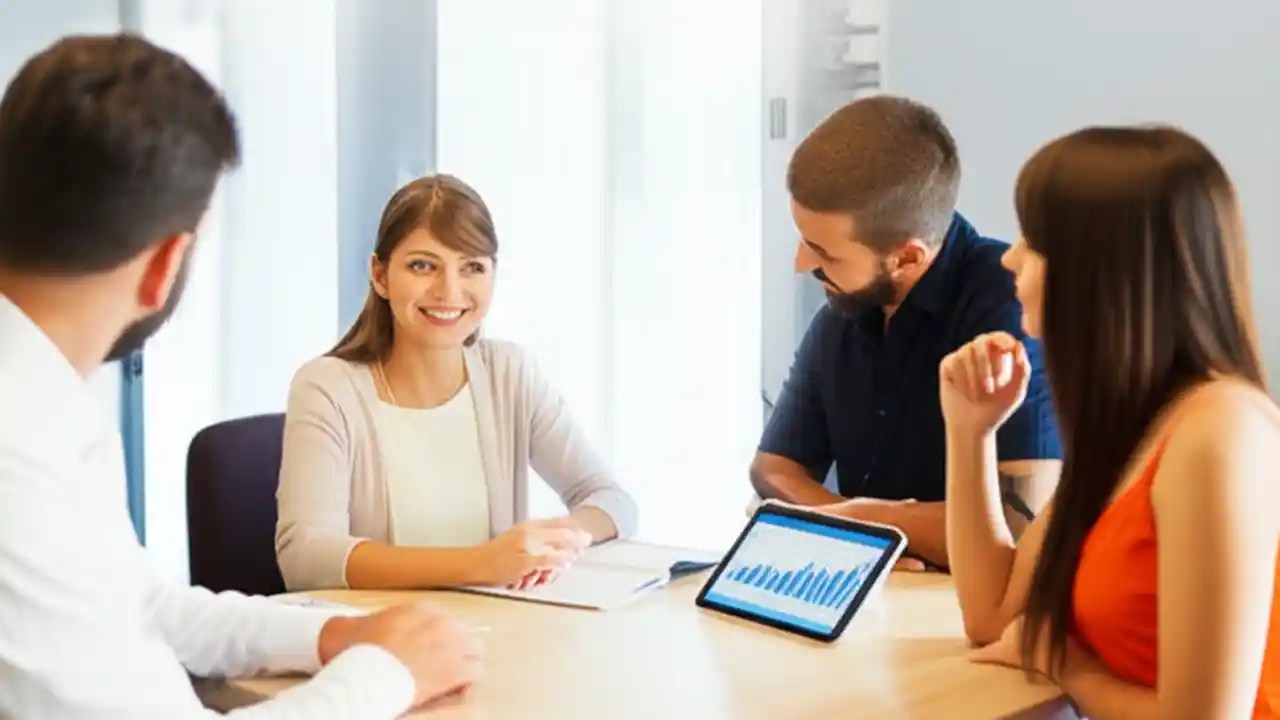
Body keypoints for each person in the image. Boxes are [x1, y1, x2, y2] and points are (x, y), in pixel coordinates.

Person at [0, 34, 484, 718]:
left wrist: (334, 634)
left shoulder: (40, 399)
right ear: (168, 262)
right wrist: (388, 675)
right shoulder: (16, 450)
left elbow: (143, 603)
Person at [942, 126, 1280, 718]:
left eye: (1034, 239)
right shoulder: (1134, 428)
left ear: (1101, 268)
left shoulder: (1221, 432)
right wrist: (970, 433)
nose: (1009, 257)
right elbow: (993, 617)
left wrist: (1065, 663)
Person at [275, 174, 638, 592]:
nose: (450, 291)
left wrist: (550, 543)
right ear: (380, 275)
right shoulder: (327, 388)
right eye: (423, 266)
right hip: (379, 641)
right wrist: (483, 563)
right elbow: (305, 556)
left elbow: (613, 501)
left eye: (472, 268)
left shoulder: (510, 374)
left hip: (497, 633)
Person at [752, 95, 1061, 568]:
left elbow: (1022, 525)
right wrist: (863, 532)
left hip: (967, 615)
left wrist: (848, 525)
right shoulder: (845, 310)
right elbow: (773, 469)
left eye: (825, 253)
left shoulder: (1011, 309)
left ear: (908, 257)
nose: (802, 264)